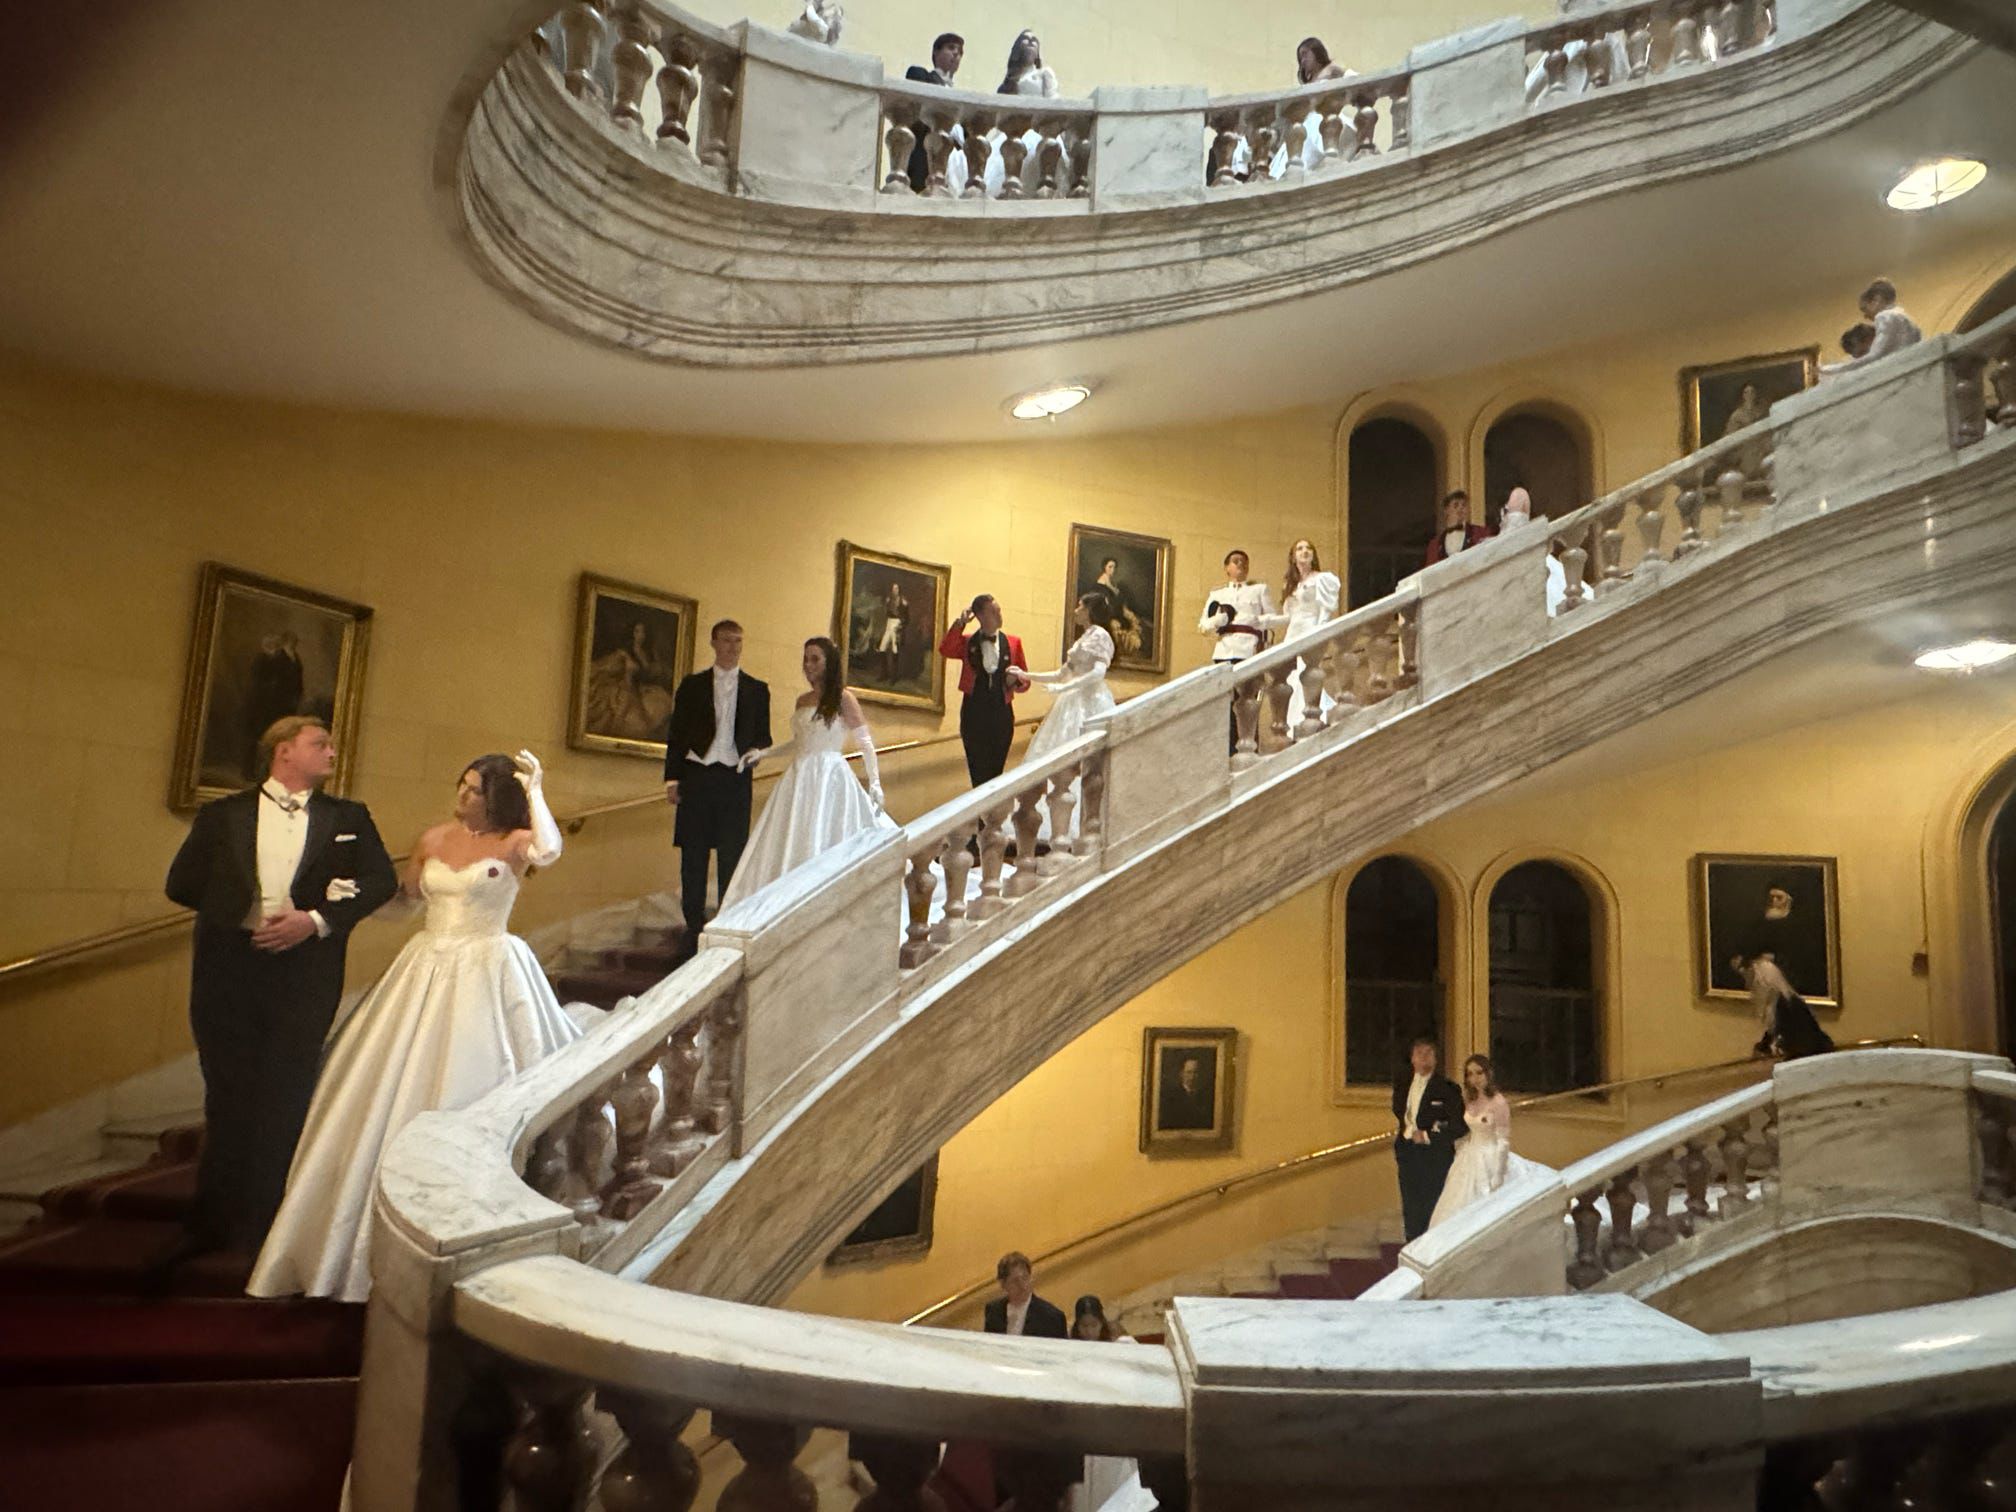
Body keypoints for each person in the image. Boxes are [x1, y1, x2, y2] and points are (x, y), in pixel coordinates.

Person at [247, 752, 584, 1301]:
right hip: (425, 962)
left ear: (496, 798)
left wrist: (539, 789)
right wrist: (334, 899)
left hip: (487, 963)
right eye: (462, 784)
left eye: (475, 789)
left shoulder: (517, 840)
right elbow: (402, 903)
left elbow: (550, 848)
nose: (463, 795)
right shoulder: (432, 839)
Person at [156, 716, 398, 1279]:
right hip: (228, 972)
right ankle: (210, 1222)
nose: (332, 751)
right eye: (320, 744)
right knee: (227, 1095)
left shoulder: (348, 818)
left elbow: (381, 881)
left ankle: (268, 1226)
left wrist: (314, 920)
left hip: (305, 973)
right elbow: (181, 883)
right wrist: (245, 915)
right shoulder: (224, 815)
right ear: (284, 752)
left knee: (287, 1097)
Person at [718, 637, 893, 909]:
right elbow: (800, 742)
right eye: (805, 658)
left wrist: (875, 782)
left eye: (815, 659)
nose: (808, 664)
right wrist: (764, 753)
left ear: (829, 663)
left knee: (826, 832)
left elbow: (865, 742)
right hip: (799, 776)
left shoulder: (843, 698)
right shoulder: (802, 701)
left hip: (830, 776)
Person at [665, 620, 772, 959]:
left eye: (738, 641)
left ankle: (727, 919)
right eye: (726, 640)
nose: (733, 647)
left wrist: (758, 753)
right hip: (697, 775)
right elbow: (676, 734)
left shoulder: (758, 689)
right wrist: (672, 778)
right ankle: (693, 925)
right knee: (693, 856)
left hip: (734, 778)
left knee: (732, 854)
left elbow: (763, 737)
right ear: (713, 643)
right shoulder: (692, 685)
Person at [1427, 1055, 1554, 1230]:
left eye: (1479, 1073)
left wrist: (1498, 1174)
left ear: (1488, 1074)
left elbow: (1503, 1140)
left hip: (1491, 1155)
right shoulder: (1469, 1099)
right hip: (1470, 1154)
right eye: (1470, 1074)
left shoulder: (1498, 1102)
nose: (1475, 1079)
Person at [1734, 880, 1835, 1060]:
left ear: (1788, 901)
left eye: (1778, 898)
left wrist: (1774, 961)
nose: (1773, 901)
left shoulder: (1798, 928)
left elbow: (1803, 958)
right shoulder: (1760, 924)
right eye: (1771, 897)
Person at [939, 594, 1028, 786]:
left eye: (999, 610)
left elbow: (1026, 680)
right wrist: (960, 622)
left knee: (996, 773)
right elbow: (946, 649)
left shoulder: (1013, 643)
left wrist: (1016, 681)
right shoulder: (968, 642)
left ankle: (990, 815)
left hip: (1001, 713)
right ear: (980, 615)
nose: (999, 615)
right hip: (973, 712)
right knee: (977, 773)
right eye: (993, 611)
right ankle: (981, 815)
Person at [1261, 538, 1341, 734]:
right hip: (1293, 632)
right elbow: (1290, 616)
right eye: (1299, 548)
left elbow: (1326, 609)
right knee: (1292, 677)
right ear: (1293, 556)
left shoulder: (1322, 578)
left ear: (1313, 555)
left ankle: (1312, 716)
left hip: (1310, 628)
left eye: (1308, 548)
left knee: (1307, 673)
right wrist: (1267, 621)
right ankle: (1293, 721)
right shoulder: (1291, 583)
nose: (1304, 551)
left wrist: (1319, 630)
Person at [1393, 1036, 1466, 1242]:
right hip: (1407, 1151)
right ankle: (1411, 1245)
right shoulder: (1402, 1084)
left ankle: (1431, 1247)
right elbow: (1400, 1110)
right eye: (1419, 1053)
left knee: (1431, 1204)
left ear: (1435, 1059)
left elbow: (1459, 1126)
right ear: (1412, 1058)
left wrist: (1428, 1135)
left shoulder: (1447, 1089)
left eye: (1428, 1054)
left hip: (1434, 1156)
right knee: (1410, 1203)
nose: (1423, 1058)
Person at [1821, 278, 1922, 375]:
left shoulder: (1884, 316)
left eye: (1865, 309)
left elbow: (1874, 356)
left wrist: (1830, 370)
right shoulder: (1902, 316)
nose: (1865, 316)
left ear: (1876, 300)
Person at [903, 32, 964, 192]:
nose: (956, 53)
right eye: (951, 48)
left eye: (960, 52)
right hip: (925, 163)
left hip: (955, 168)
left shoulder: (960, 98)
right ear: (935, 52)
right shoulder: (920, 75)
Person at [983, 1250, 1068, 1337]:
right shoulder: (994, 1311)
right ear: (1003, 1284)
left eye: (1025, 1278)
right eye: (1015, 1281)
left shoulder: (1051, 1317)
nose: (1022, 1286)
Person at [1424, 490, 1489, 566]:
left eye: (1464, 505)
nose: (1460, 509)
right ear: (1446, 510)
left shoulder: (1480, 533)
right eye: (1456, 505)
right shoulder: (1434, 545)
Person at [1157, 1052, 1215, 1131]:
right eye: (1189, 1072)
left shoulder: (1207, 1097)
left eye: (1195, 1072)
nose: (1192, 1077)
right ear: (1182, 1074)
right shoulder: (1170, 1098)